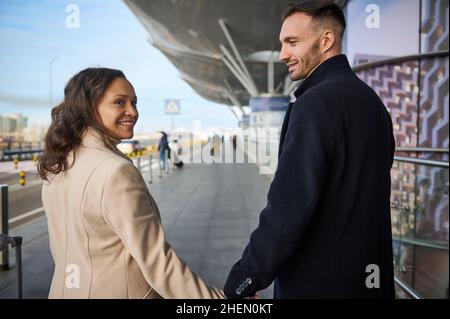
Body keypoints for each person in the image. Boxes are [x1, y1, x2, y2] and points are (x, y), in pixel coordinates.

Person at [224, 1, 395, 299]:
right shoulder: (373, 102)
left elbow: (290, 203)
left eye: (292, 42)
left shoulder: (314, 104)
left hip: (320, 284)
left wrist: (247, 276)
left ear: (326, 40)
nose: (282, 54)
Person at [38, 68, 224, 299]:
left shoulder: (57, 164)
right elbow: (159, 264)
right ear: (88, 108)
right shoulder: (115, 171)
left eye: (134, 102)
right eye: (119, 102)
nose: (132, 112)